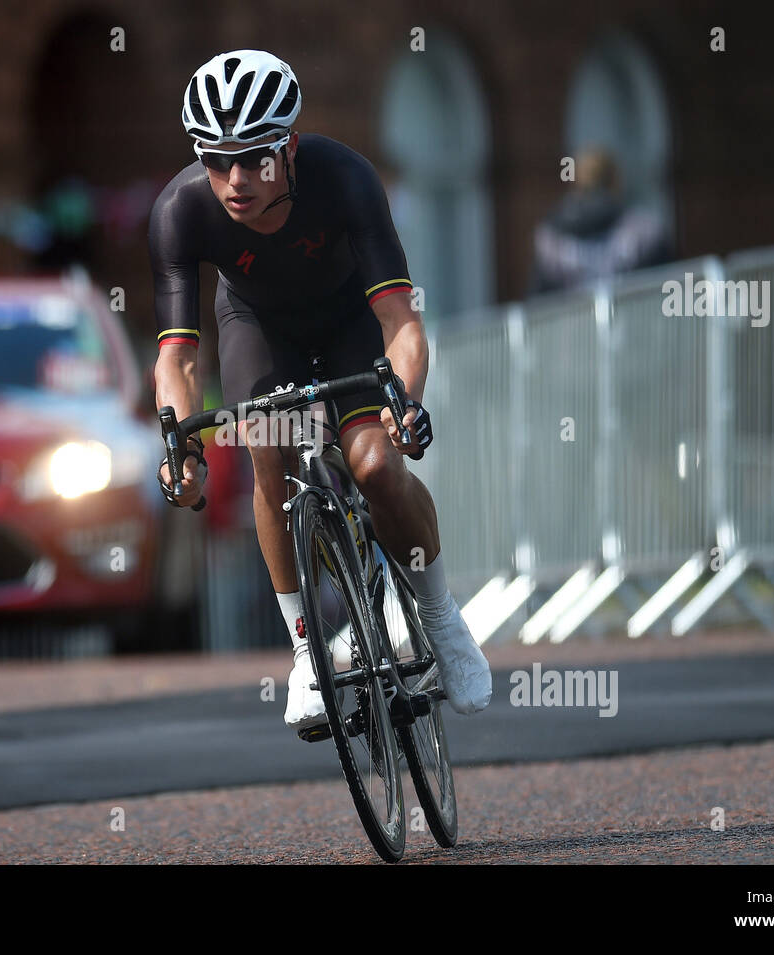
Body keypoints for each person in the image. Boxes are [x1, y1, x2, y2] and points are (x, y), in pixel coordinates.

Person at [148, 50, 491, 734]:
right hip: (256, 328)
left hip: (349, 321)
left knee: (372, 465)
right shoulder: (180, 209)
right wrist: (180, 446)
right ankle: (308, 650)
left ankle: (440, 617)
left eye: (255, 158)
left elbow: (402, 323)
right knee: (270, 451)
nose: (236, 179)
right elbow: (178, 360)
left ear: (291, 148)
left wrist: (406, 404)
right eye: (217, 160)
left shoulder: (345, 178)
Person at [529, 146, 673, 294]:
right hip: (633, 316)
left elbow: (538, 303)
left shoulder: (552, 241)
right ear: (616, 181)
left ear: (576, 184)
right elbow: (668, 290)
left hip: (576, 317)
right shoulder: (645, 232)